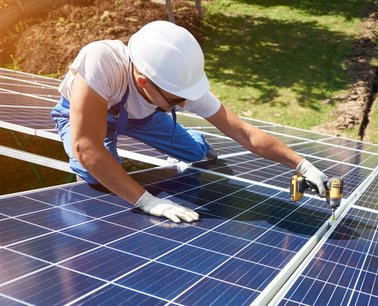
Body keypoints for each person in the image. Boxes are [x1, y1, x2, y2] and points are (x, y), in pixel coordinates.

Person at [50, 20, 328, 223]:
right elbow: (87, 147)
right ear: (143, 81)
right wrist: (147, 201)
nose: (184, 104)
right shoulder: (102, 62)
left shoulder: (176, 86)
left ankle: (193, 139)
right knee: (92, 172)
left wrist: (302, 165)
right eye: (175, 101)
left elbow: (244, 133)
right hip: (90, 118)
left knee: (197, 153)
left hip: (143, 116)